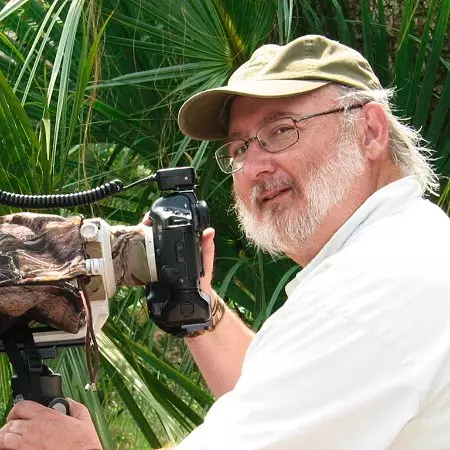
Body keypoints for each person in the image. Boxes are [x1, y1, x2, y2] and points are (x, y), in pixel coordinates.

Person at [1, 34, 450, 450]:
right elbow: (278, 402)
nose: (254, 166)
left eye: (281, 130)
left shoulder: (371, 288)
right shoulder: (409, 244)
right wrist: (195, 308)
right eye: (238, 148)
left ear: (370, 131)